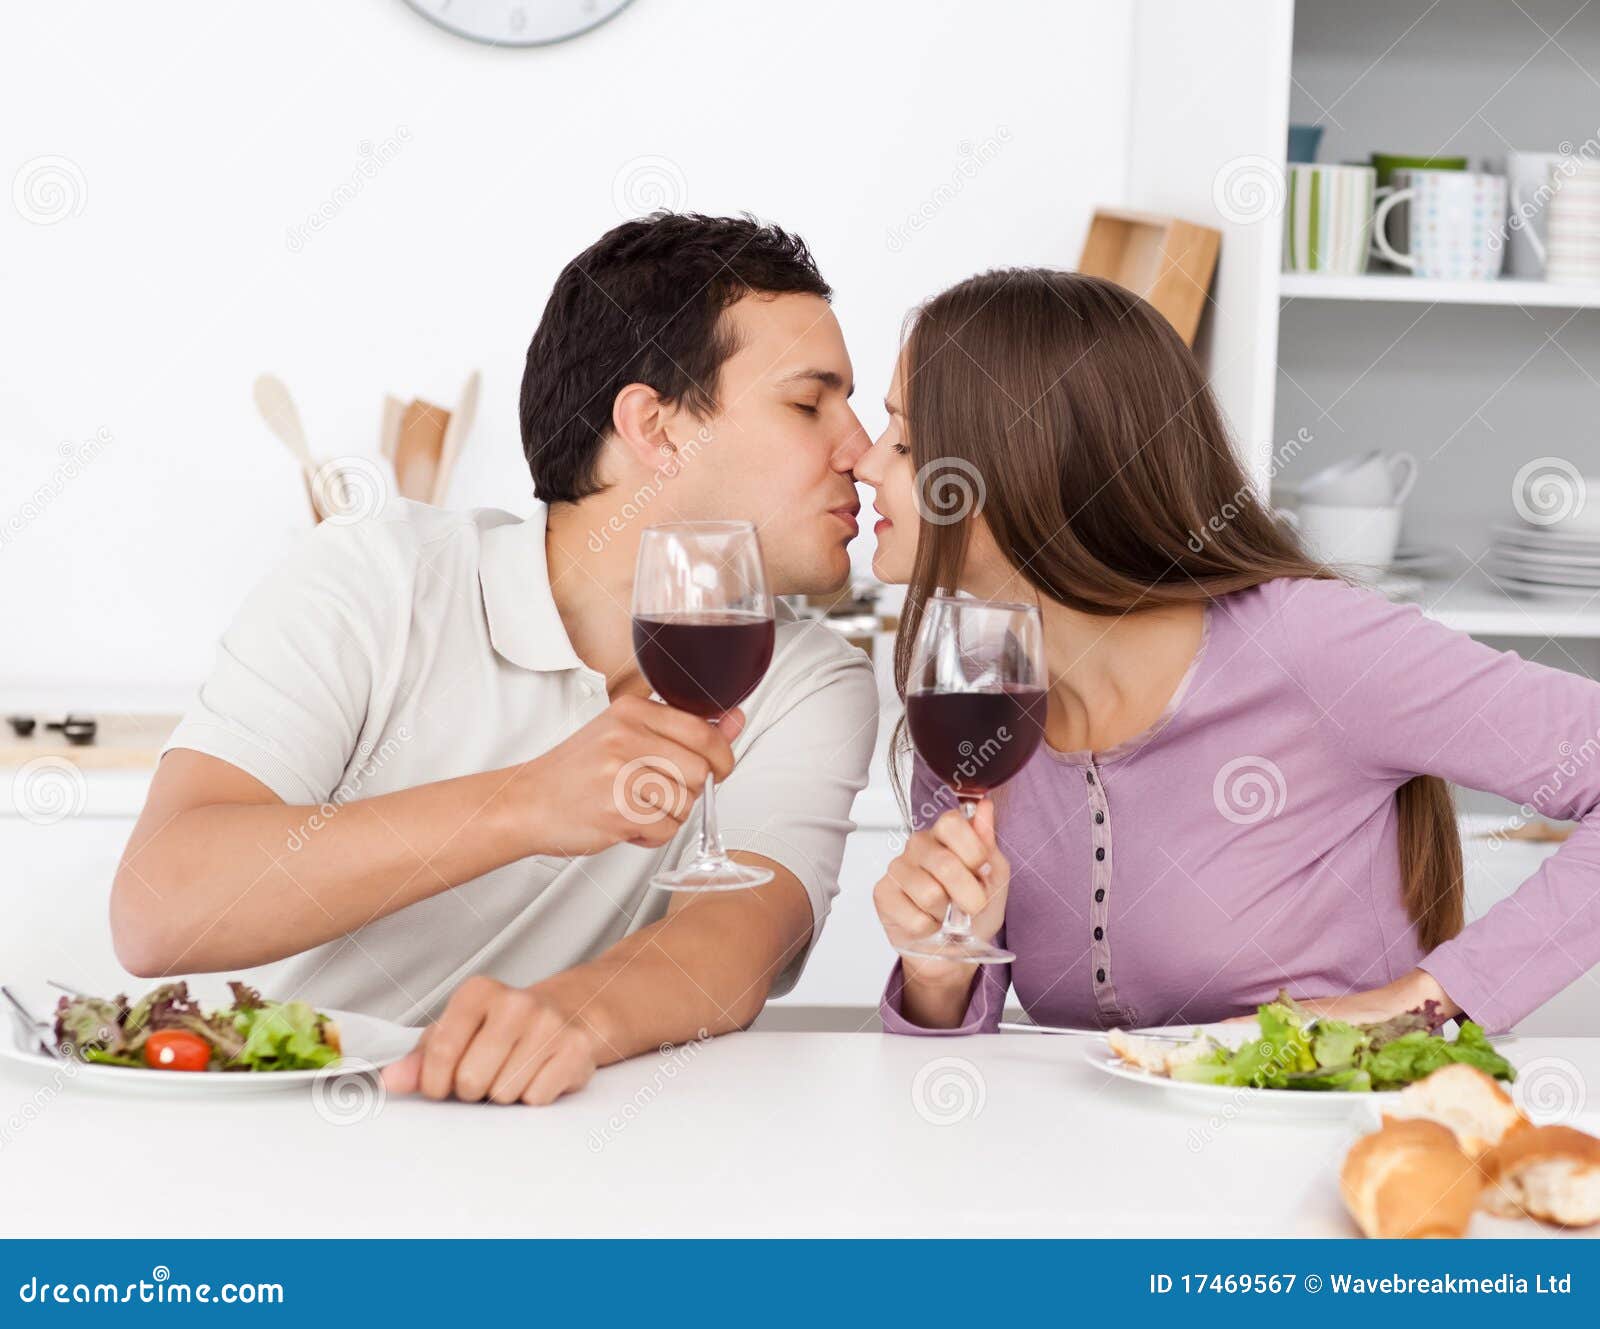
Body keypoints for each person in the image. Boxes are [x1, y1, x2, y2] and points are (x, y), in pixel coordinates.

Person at [111, 213, 878, 1103]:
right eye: (809, 402)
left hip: (568, 1156)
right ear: (658, 429)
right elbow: (157, 907)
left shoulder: (811, 678)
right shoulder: (377, 578)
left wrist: (567, 1021)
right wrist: (531, 803)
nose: (860, 450)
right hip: (301, 1140)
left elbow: (736, 935)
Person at [854, 267, 1600, 1037]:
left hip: (1335, 1141)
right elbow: (971, 1047)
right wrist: (934, 974)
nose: (867, 464)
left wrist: (1429, 994)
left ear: (1030, 464)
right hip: (1091, 1150)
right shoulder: (976, 699)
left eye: (905, 441)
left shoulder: (1310, 644)